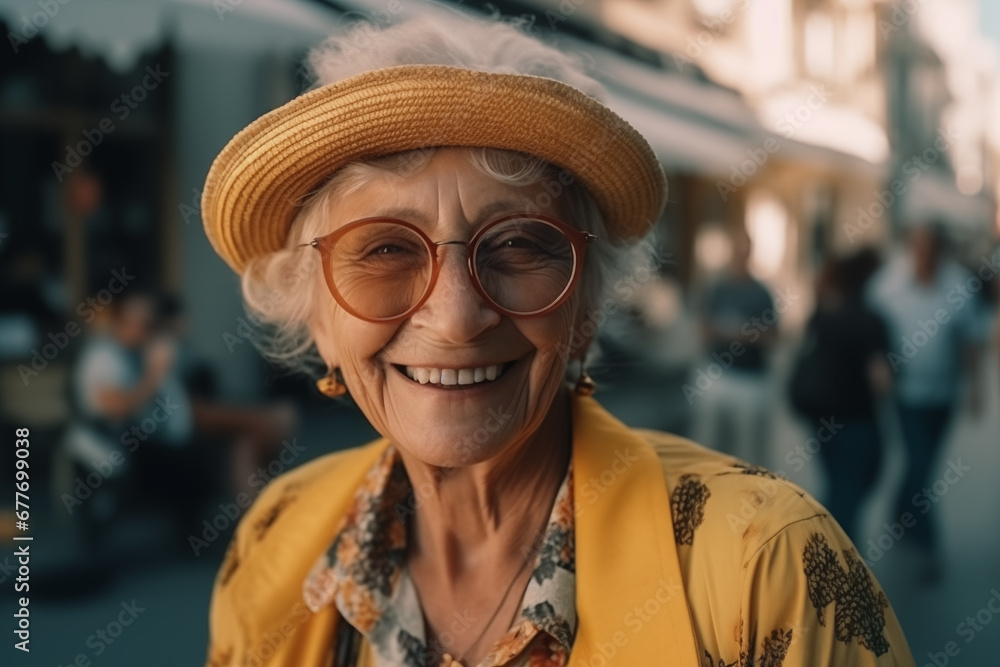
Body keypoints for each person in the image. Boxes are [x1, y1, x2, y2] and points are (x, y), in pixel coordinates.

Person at [200, 16, 913, 667]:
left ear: (587, 309)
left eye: (517, 245)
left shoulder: (768, 568)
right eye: (386, 250)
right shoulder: (276, 532)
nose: (457, 317)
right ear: (318, 320)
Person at [867, 222, 985, 581]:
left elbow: (970, 337)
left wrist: (976, 387)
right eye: (918, 247)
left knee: (924, 464)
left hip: (944, 394)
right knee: (920, 466)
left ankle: (901, 512)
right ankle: (928, 547)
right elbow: (868, 326)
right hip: (905, 395)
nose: (924, 255)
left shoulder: (958, 285)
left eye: (930, 248)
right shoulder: (888, 284)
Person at [790, 249, 891, 544]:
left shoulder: (822, 316)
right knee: (847, 497)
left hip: (822, 420)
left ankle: (828, 550)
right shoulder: (870, 321)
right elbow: (882, 380)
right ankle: (839, 557)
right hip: (857, 423)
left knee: (838, 488)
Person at [694, 228, 777, 465]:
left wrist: (739, 334)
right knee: (709, 443)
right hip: (718, 375)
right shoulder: (718, 289)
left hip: (750, 380)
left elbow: (772, 337)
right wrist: (733, 332)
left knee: (749, 452)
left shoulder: (761, 293)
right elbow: (704, 329)